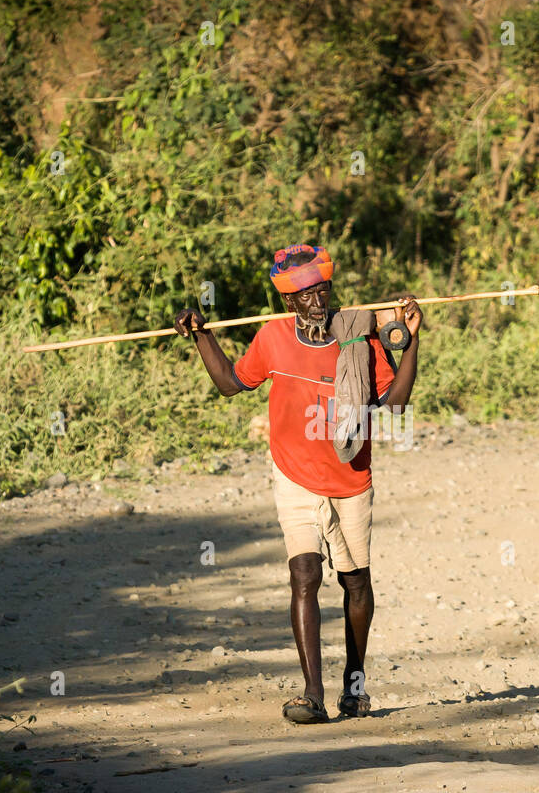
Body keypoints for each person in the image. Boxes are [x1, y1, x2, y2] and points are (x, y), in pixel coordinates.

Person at [174, 244, 421, 723]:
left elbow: (394, 406)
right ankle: (312, 693)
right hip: (293, 474)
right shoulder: (273, 338)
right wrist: (200, 335)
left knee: (355, 582)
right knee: (305, 574)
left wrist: (410, 344)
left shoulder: (359, 337)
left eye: (321, 289)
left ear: (330, 289)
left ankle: (356, 685)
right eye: (304, 294)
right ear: (288, 301)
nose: (315, 300)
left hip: (350, 476)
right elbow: (230, 383)